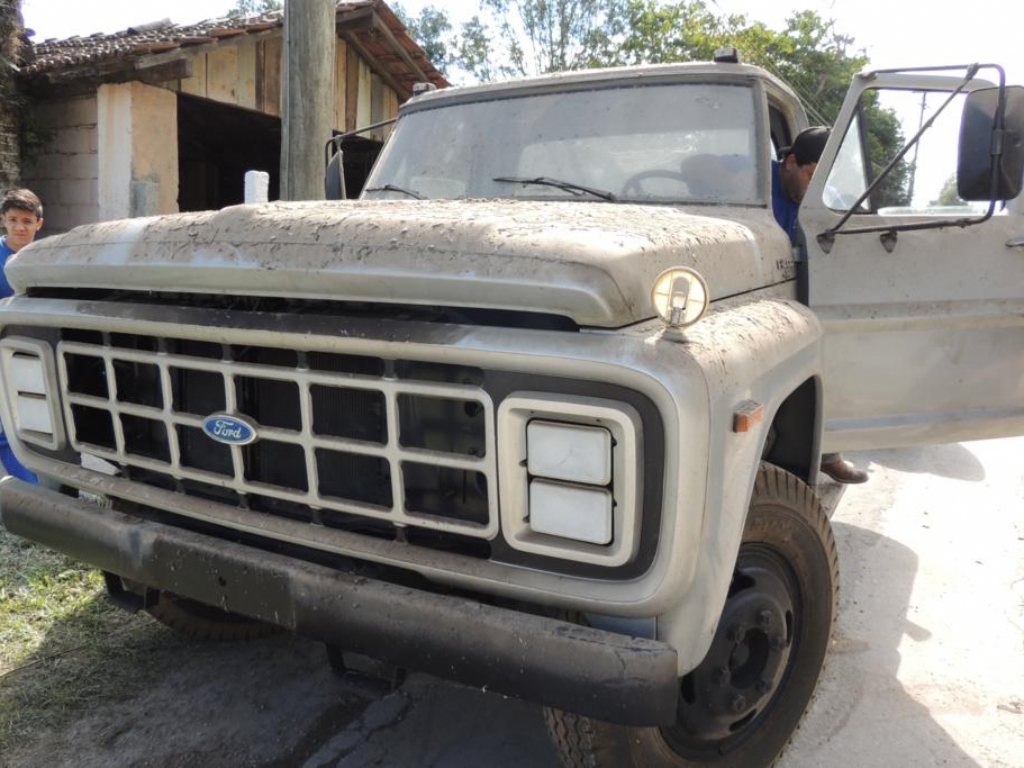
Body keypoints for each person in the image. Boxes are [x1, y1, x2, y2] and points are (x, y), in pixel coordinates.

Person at [773, 128, 869, 485]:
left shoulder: (821, 203)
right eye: (812, 176)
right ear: (790, 162)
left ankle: (828, 451)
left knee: (827, 362)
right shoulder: (753, 181)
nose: (815, 189)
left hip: (798, 301)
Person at [0, 188, 43, 483]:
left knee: (27, 424)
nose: (19, 227)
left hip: (33, 353)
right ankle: (31, 491)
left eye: (26, 221)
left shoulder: (47, 258)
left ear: (39, 223)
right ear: (3, 220)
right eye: (13, 219)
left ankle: (39, 490)